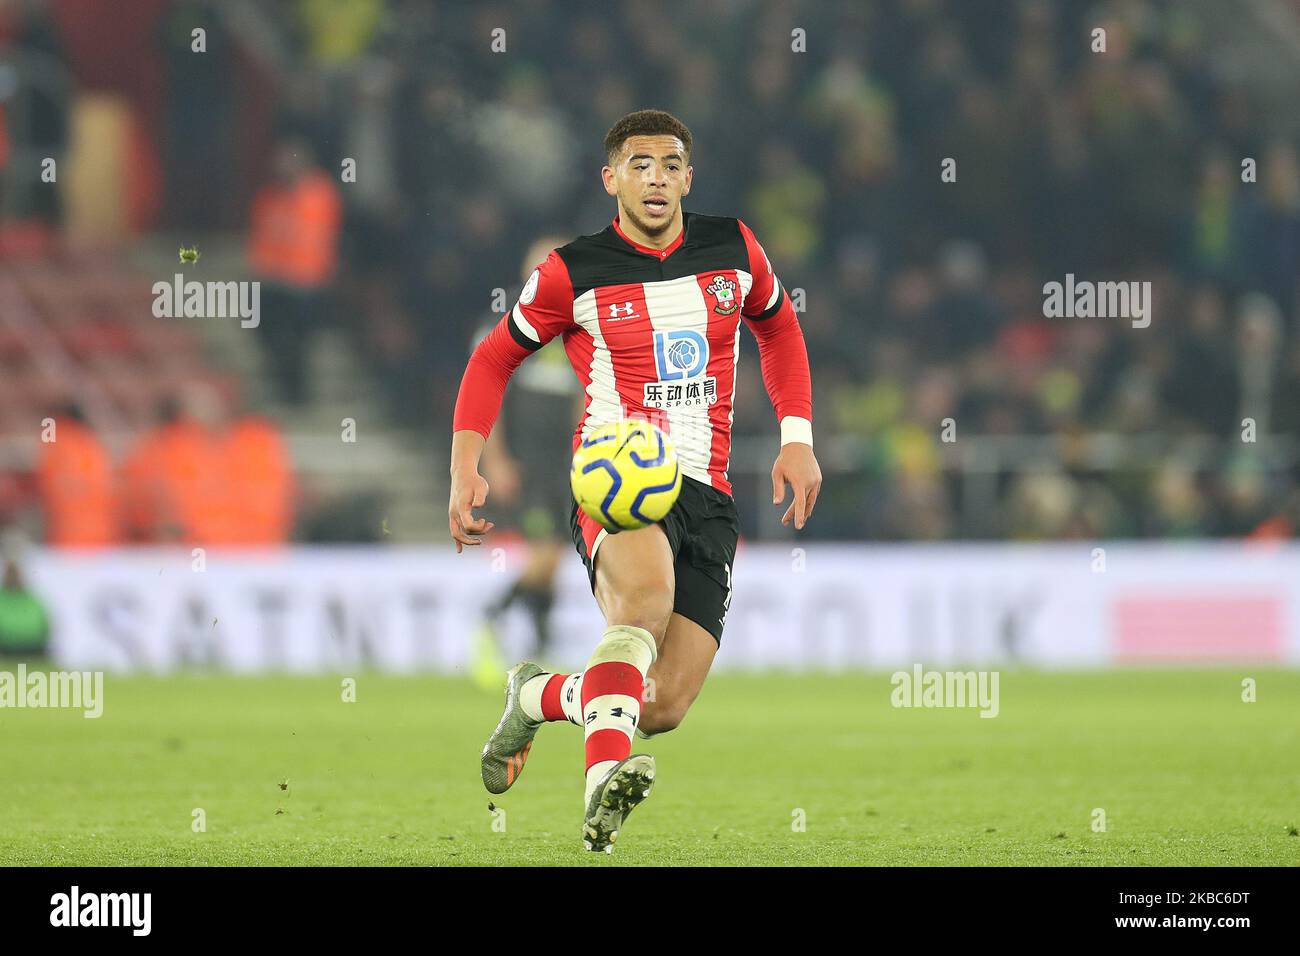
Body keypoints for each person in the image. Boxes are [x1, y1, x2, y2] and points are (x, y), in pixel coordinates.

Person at [448, 109, 821, 852]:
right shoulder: (570, 271)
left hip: (709, 497)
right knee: (640, 611)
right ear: (611, 177)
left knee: (662, 705)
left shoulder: (735, 247)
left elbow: (777, 326)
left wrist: (796, 438)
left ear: (689, 176)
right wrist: (466, 466)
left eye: (670, 164)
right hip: (619, 481)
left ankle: (536, 693)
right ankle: (599, 793)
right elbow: (494, 358)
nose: (656, 177)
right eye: (639, 164)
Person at [468, 236, 585, 690]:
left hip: (566, 464)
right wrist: (494, 460)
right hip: (528, 462)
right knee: (545, 555)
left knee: (557, 555)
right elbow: (487, 398)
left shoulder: (577, 330)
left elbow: (583, 397)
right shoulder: (506, 327)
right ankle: (491, 619)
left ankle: (538, 650)